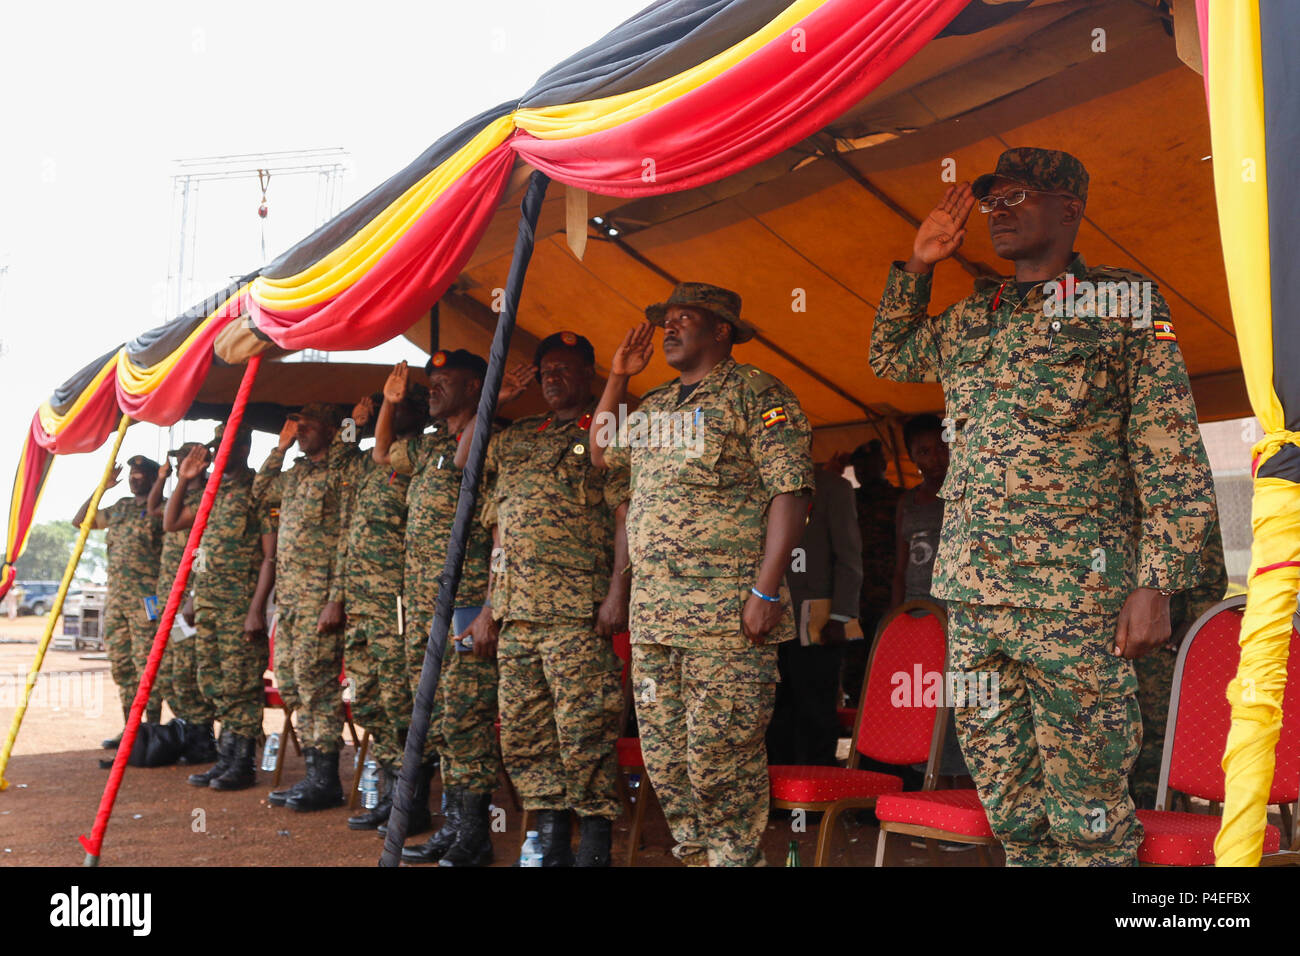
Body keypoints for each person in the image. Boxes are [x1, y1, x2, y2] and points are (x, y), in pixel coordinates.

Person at [869, 147, 1217, 865]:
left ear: (1068, 208)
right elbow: (891, 357)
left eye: (1019, 196)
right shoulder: (973, 317)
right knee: (1013, 815)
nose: (998, 211)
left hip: (1078, 604)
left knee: (1089, 822)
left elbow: (1170, 453)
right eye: (992, 199)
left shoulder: (1123, 304)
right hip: (975, 604)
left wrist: (1156, 582)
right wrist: (920, 265)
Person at [592, 282, 814, 867]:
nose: (669, 328)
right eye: (665, 319)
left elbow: (791, 489)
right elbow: (599, 451)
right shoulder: (655, 405)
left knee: (721, 759)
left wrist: (767, 589)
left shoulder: (756, 392)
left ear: (721, 331)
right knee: (667, 764)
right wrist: (618, 377)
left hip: (726, 618)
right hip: (655, 618)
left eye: (684, 319)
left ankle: (738, 860)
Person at [465, 331, 628, 868]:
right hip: (517, 616)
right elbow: (492, 519)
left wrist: (615, 594)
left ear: (590, 375)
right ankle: (553, 840)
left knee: (585, 730)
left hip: (577, 614)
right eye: (546, 370)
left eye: (565, 368)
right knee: (527, 736)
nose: (553, 377)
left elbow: (626, 514)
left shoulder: (606, 432)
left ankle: (596, 842)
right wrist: (490, 607)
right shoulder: (518, 438)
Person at [374, 351, 501, 863]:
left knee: (467, 715)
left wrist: (492, 604)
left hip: (467, 603)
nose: (433, 389)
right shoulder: (427, 447)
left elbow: (494, 522)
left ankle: (475, 833)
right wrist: (388, 403)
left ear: (476, 387)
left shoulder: (491, 437)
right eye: (431, 383)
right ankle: (454, 822)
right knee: (442, 718)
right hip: (425, 608)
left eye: (445, 382)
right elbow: (382, 452)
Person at [334, 387, 427, 830]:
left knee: (399, 702)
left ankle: (410, 800)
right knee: (368, 699)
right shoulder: (366, 463)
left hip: (396, 603)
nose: (383, 410)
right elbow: (336, 459)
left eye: (395, 404)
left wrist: (388, 406)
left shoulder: (416, 458)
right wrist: (357, 419)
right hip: (361, 604)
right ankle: (393, 788)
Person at [170, 425, 279, 791]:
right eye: (217, 445)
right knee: (212, 681)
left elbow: (270, 557)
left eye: (227, 445)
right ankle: (226, 758)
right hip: (209, 604)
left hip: (240, 606)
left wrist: (256, 610)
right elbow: (172, 523)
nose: (219, 452)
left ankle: (242, 764)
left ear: (245, 446)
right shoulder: (212, 491)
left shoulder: (257, 489)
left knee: (241, 685)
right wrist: (185, 480)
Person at [254, 404, 352, 811]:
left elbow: (348, 535)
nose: (304, 430)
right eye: (299, 425)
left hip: (319, 599)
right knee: (293, 684)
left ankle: (325, 780)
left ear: (332, 429)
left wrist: (336, 598)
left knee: (318, 688)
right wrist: (280, 447)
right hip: (292, 600)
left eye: (311, 424)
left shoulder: (341, 472)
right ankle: (314, 773)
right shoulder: (294, 474)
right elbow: (259, 492)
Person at [766, 462, 861, 767]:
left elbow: (848, 555)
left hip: (817, 623)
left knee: (815, 711)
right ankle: (780, 800)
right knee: (774, 714)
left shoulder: (833, 487)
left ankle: (819, 803)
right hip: (769, 618)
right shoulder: (759, 481)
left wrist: (842, 616)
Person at [1129, 518, 1227, 809]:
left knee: (1157, 733)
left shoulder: (1173, 476)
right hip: (1096, 627)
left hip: (1162, 635)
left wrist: (1198, 622)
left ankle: (1153, 818)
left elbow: (1204, 542)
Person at [73, 454, 163, 748]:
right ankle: (131, 731)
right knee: (122, 666)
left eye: (141, 474)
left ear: (153, 477)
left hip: (146, 604)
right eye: (132, 475)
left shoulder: (161, 509)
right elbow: (81, 521)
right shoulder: (121, 507)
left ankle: (152, 731)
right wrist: (103, 487)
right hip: (117, 604)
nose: (135, 478)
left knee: (146, 666)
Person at [147, 441, 218, 764]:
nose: (180, 464)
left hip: (190, 603)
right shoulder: (181, 497)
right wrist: (168, 479)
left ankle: (202, 740)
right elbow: (154, 512)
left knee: (188, 672)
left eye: (186, 459)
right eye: (179, 460)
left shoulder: (208, 497)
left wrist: (192, 597)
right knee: (172, 674)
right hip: (170, 604)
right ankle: (191, 732)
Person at [844, 440, 899, 707]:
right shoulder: (848, 500)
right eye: (858, 466)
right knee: (854, 669)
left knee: (889, 666)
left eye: (870, 463)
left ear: (883, 465)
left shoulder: (901, 499)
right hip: (854, 600)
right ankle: (859, 741)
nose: (864, 470)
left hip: (888, 596)